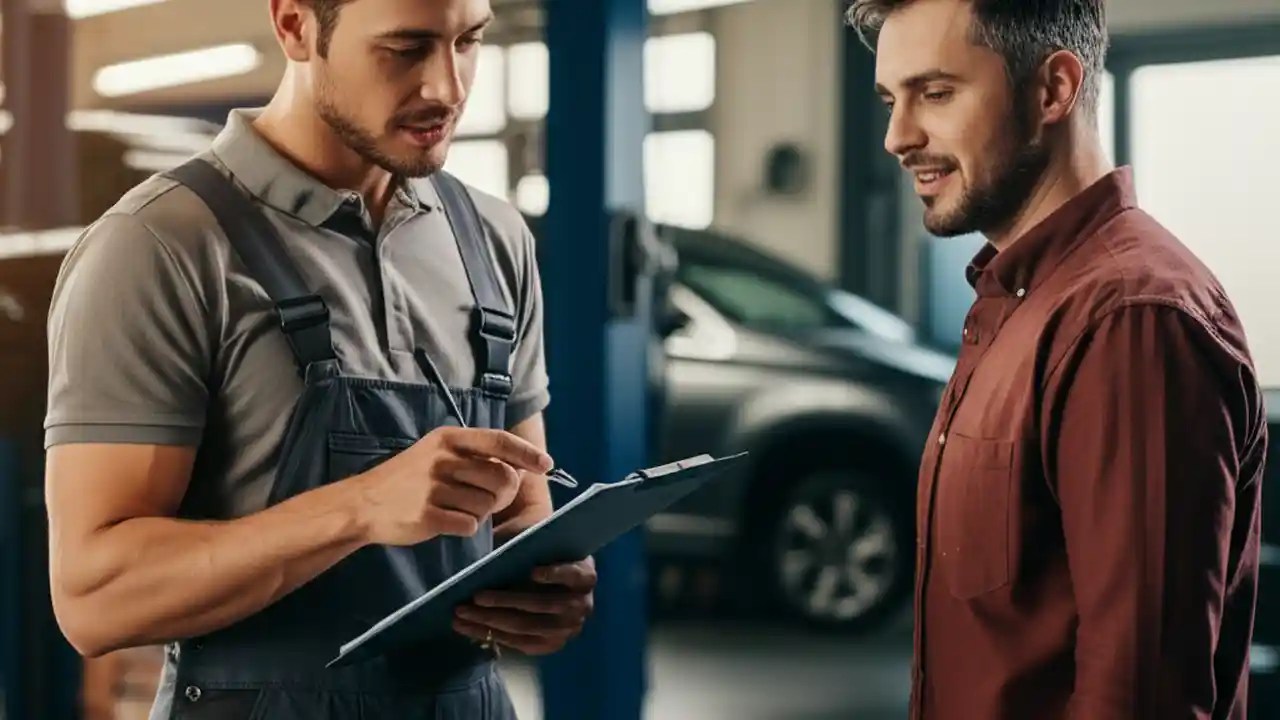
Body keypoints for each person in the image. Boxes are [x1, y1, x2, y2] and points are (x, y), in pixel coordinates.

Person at [42, 0, 596, 717]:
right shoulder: (160, 247)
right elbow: (93, 598)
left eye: (469, 41)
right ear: (295, 26)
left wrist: (544, 583)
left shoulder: (493, 239)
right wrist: (361, 507)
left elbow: (523, 508)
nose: (448, 88)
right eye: (405, 48)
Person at [847, 0, 1267, 718]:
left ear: (1053, 90)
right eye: (892, 99)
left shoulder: (1130, 321)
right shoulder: (1019, 296)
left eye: (936, 93)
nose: (897, 136)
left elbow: (1139, 698)